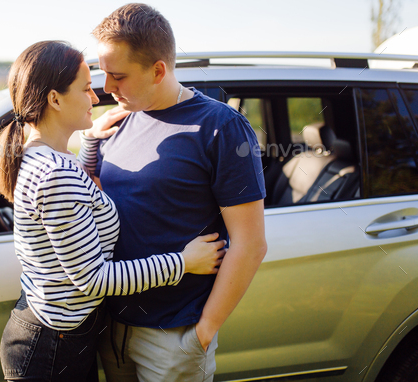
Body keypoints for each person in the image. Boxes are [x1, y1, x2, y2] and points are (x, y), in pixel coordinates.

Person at [0, 41, 227, 382]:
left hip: (54, 333)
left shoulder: (39, 157)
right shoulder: (56, 173)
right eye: (86, 88)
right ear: (55, 99)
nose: (95, 97)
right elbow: (93, 279)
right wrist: (183, 262)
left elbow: (79, 198)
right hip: (52, 349)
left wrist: (90, 143)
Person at [82, 4, 268, 381]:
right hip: (113, 327)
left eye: (117, 76)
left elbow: (251, 244)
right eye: (103, 74)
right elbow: (94, 197)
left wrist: (202, 333)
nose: (106, 88)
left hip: (174, 336)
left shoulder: (221, 127)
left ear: (158, 70)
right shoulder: (119, 121)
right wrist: (88, 140)